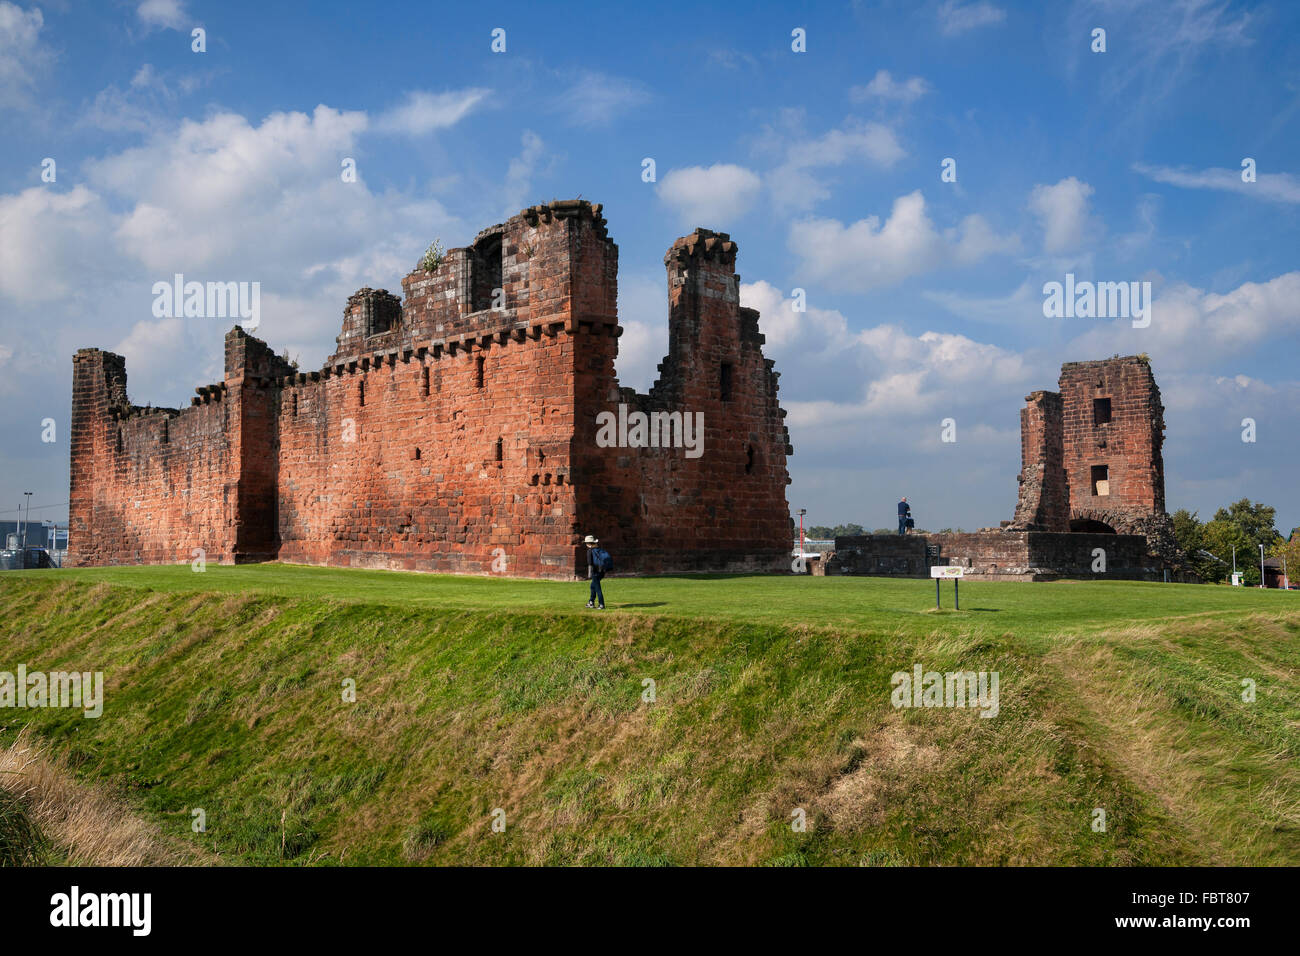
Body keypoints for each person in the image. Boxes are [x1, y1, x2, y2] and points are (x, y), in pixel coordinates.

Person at [584, 534, 611, 609]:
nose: (586, 544)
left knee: (597, 588)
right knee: (592, 586)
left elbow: (590, 563)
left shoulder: (590, 551)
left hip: (595, 572)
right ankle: (591, 602)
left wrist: (589, 575)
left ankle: (601, 604)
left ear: (589, 544)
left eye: (586, 543)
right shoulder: (599, 550)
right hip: (602, 571)